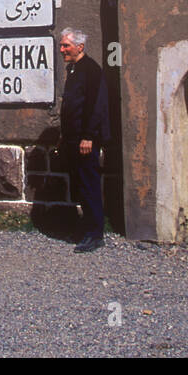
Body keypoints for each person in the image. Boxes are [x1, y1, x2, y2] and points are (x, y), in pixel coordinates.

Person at [58, 27, 111, 253]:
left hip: (85, 140)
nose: (62, 50)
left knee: (89, 185)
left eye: (66, 46)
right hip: (73, 139)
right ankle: (87, 227)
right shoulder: (74, 70)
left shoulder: (91, 70)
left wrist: (89, 136)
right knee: (80, 185)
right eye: (61, 46)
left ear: (79, 47)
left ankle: (95, 233)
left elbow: (96, 106)